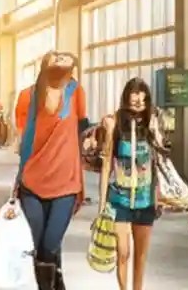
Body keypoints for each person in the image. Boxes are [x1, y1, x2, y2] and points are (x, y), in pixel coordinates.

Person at [14, 51, 89, 290]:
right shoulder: (28, 97)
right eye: (55, 56)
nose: (60, 56)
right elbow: (24, 140)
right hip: (32, 182)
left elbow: (82, 129)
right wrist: (18, 180)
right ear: (44, 66)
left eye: (65, 57)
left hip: (66, 182)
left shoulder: (76, 92)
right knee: (39, 247)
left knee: (50, 244)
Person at [97, 78, 164, 290]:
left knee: (141, 256)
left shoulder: (152, 123)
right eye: (133, 93)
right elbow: (107, 163)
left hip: (146, 200)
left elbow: (162, 158)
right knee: (123, 252)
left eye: (141, 94)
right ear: (126, 97)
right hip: (119, 200)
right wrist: (102, 205)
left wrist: (155, 130)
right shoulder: (115, 123)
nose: (137, 98)